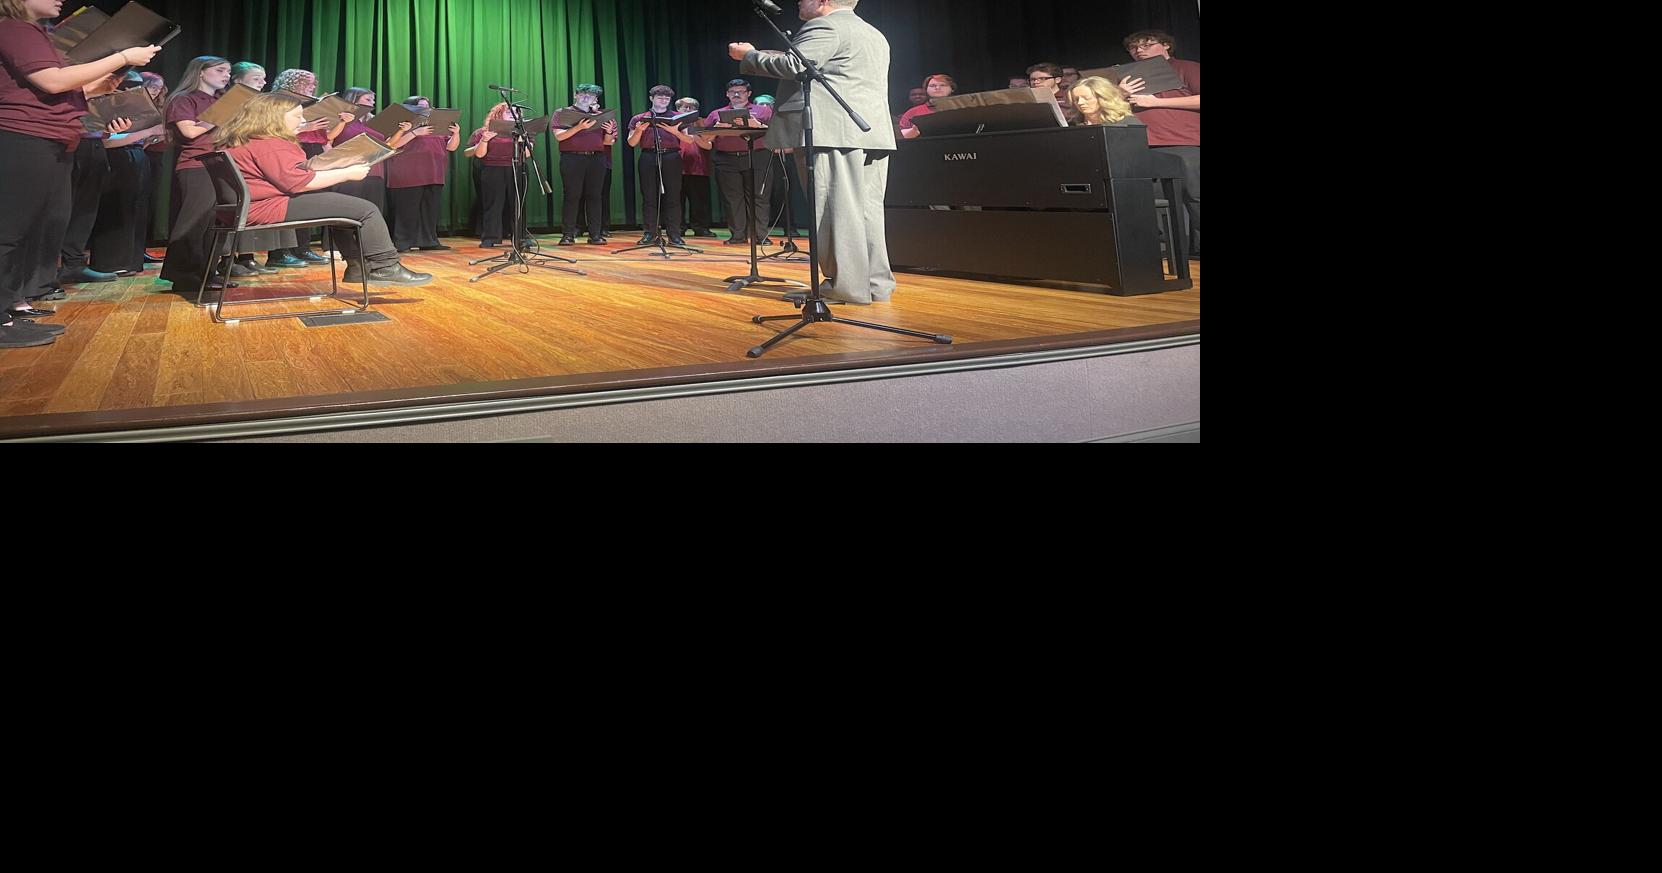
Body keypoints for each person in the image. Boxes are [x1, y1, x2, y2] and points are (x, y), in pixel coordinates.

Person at [1, 0, 159, 348]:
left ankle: (8, 313)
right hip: (24, 137)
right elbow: (52, 82)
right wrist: (123, 57)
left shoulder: (33, 33)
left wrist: (102, 89)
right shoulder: (14, 28)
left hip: (49, 140)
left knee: (27, 230)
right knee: (9, 232)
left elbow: (60, 89)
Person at [731, 0, 896, 305]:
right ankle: (875, 283)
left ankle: (846, 286)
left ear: (822, 1)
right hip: (869, 132)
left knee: (835, 211)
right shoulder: (872, 32)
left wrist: (749, 56)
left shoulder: (824, 25)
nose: (798, 3)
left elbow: (796, 66)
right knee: (866, 212)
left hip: (831, 131)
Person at [213, 91, 430, 286]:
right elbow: (298, 182)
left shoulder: (248, 139)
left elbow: (287, 172)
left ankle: (357, 268)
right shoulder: (269, 143)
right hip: (267, 207)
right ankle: (385, 267)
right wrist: (347, 173)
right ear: (275, 117)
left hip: (250, 206)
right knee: (367, 210)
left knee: (341, 211)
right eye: (297, 116)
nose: (303, 120)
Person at [1117, 29, 1199, 257]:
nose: (1139, 50)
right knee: (1157, 201)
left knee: (1195, 196)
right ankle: (1167, 251)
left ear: (1166, 46)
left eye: (1146, 45)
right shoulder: (1126, 77)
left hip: (1184, 141)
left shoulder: (1186, 67)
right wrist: (1120, 94)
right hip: (1142, 143)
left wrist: (1152, 103)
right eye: (1134, 47)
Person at [159, 55, 234, 296]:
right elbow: (189, 131)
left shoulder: (219, 100)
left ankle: (207, 273)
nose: (226, 75)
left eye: (228, 72)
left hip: (223, 165)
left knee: (218, 222)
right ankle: (183, 276)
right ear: (201, 72)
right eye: (221, 70)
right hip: (197, 165)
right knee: (194, 221)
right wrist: (217, 117)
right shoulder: (184, 99)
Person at [700, 78, 772, 246]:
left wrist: (757, 125)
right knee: (732, 199)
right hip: (726, 159)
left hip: (757, 156)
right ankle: (738, 235)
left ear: (749, 94)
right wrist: (718, 127)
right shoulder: (716, 113)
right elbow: (706, 138)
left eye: (741, 92)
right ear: (727, 94)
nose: (737, 95)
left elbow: (774, 131)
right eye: (733, 92)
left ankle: (761, 236)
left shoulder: (762, 111)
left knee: (759, 197)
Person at [386, 95, 461, 252]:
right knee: (407, 209)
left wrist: (456, 134)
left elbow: (451, 147)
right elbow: (392, 145)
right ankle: (403, 242)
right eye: (421, 106)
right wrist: (415, 133)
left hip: (434, 173)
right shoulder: (403, 124)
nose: (425, 109)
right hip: (408, 173)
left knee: (429, 210)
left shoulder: (437, 125)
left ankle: (428, 240)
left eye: (427, 106)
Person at [625, 84, 696, 245]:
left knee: (673, 197)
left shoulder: (678, 117)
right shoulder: (639, 118)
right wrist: (639, 131)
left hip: (671, 156)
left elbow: (690, 140)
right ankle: (650, 233)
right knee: (649, 197)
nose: (663, 100)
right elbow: (631, 142)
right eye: (660, 97)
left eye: (666, 98)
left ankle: (674, 235)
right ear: (652, 98)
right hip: (648, 156)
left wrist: (675, 132)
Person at [552, 83, 616, 245]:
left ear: (595, 99)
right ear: (575, 95)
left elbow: (608, 142)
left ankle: (595, 234)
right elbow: (559, 136)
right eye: (582, 94)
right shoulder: (563, 113)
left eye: (591, 95)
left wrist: (609, 132)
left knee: (595, 196)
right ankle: (568, 234)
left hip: (597, 158)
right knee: (572, 196)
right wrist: (580, 127)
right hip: (572, 158)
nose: (586, 97)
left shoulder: (601, 115)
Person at [467, 102, 532, 247]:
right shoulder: (484, 131)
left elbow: (527, 154)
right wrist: (485, 140)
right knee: (493, 205)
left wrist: (524, 140)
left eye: (516, 112)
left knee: (518, 204)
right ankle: (490, 237)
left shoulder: (523, 131)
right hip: (493, 169)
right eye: (509, 111)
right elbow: (479, 154)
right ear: (498, 113)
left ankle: (520, 238)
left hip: (517, 168)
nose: (513, 114)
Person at [674, 97, 713, 238]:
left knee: (699, 200)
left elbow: (708, 145)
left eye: (692, 107)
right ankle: (678, 228)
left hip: (699, 167)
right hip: (676, 167)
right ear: (678, 109)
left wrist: (694, 133)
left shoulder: (702, 122)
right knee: (676, 200)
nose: (689, 110)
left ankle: (701, 227)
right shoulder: (672, 121)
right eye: (685, 107)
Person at [898, 73, 954, 140]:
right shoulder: (912, 112)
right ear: (926, 90)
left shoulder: (963, 107)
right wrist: (911, 133)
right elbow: (899, 137)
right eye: (932, 86)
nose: (937, 88)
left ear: (952, 89)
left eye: (943, 85)